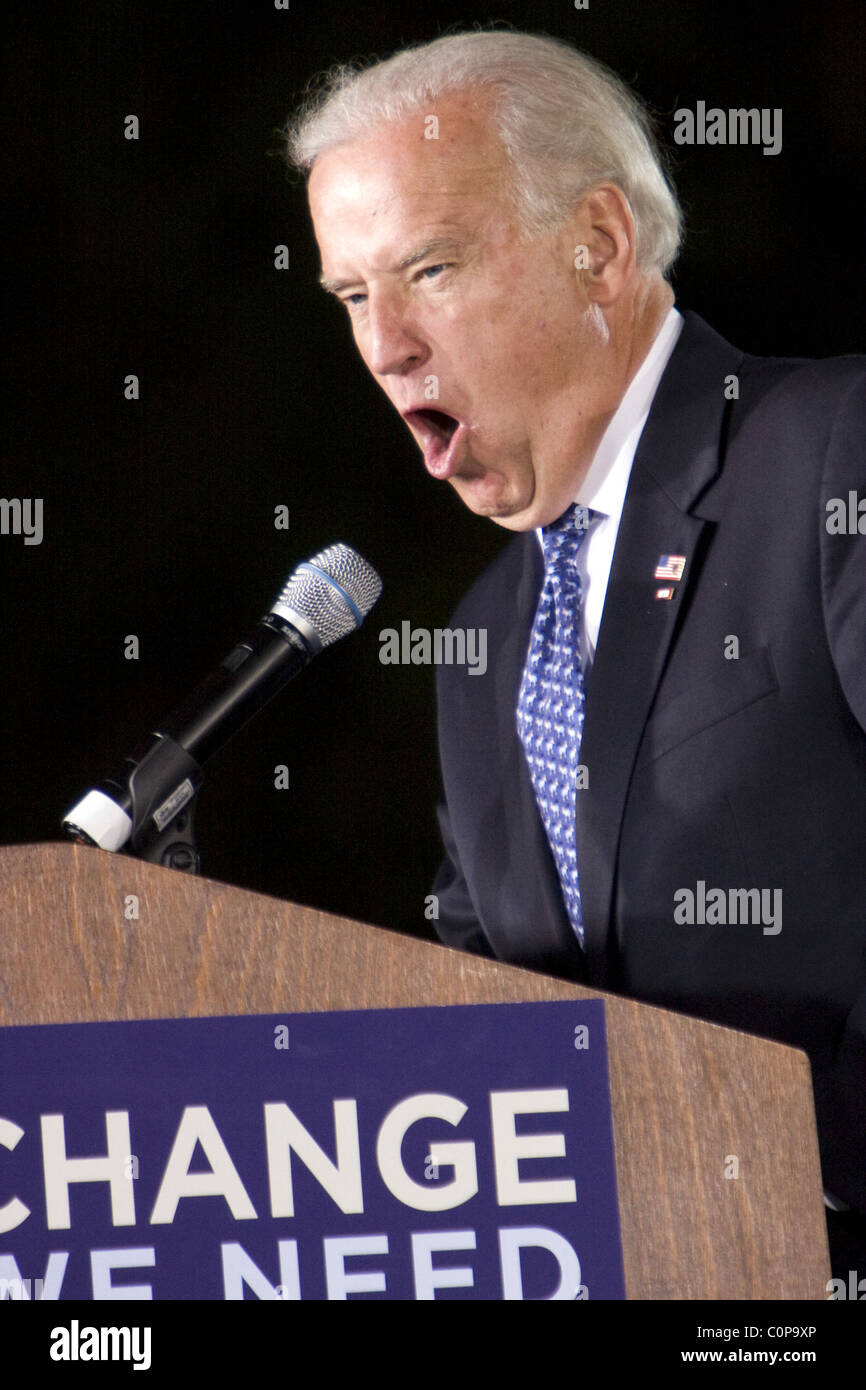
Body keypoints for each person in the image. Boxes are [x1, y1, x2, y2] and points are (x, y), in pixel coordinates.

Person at [285, 30, 866, 1278]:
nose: (383, 347)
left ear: (594, 245)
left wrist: (774, 1157)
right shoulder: (487, 634)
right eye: (349, 297)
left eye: (425, 270)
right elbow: (492, 996)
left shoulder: (830, 454)